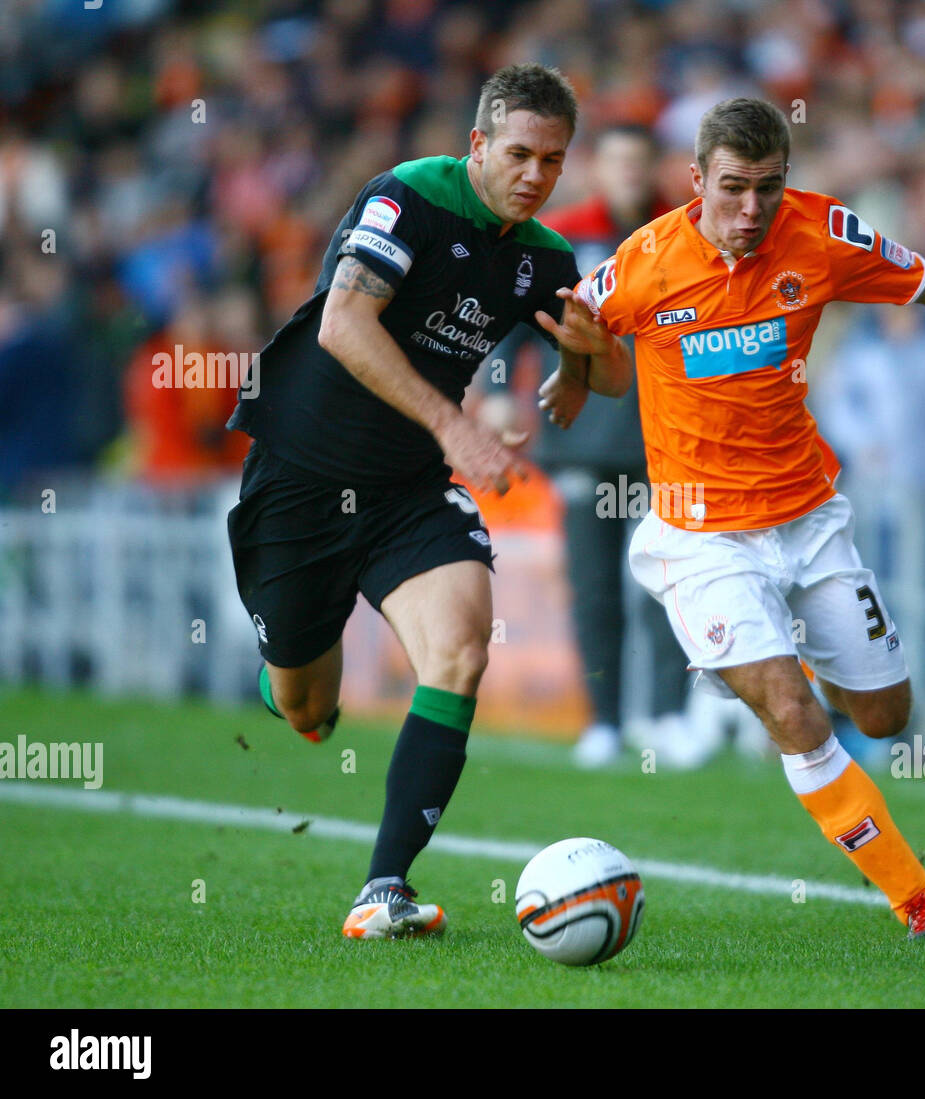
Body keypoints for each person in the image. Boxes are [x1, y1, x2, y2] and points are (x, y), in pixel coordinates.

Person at [535, 98, 925, 940]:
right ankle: (917, 897)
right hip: (702, 535)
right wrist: (576, 374)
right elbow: (589, 339)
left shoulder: (822, 233)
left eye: (769, 187)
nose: (752, 208)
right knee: (795, 714)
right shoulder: (640, 263)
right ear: (697, 180)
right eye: (733, 188)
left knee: (885, 714)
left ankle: (784, 660)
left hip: (809, 520)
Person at [224, 64, 631, 939]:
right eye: (519, 154)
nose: (536, 175)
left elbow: (611, 373)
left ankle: (383, 889)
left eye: (553, 160)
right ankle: (287, 680)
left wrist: (582, 362)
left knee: (459, 652)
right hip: (302, 476)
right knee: (307, 710)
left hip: (409, 489)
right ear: (478, 144)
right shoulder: (409, 196)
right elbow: (343, 324)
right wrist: (456, 425)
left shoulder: (546, 257)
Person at [481, 124, 697, 770]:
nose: (629, 171)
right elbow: (513, 322)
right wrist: (497, 389)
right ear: (598, 169)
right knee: (595, 589)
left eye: (639, 160)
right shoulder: (561, 237)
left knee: (670, 584)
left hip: (668, 445)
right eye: (617, 160)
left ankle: (669, 717)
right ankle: (603, 721)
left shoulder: (686, 233)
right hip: (583, 444)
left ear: (656, 167)